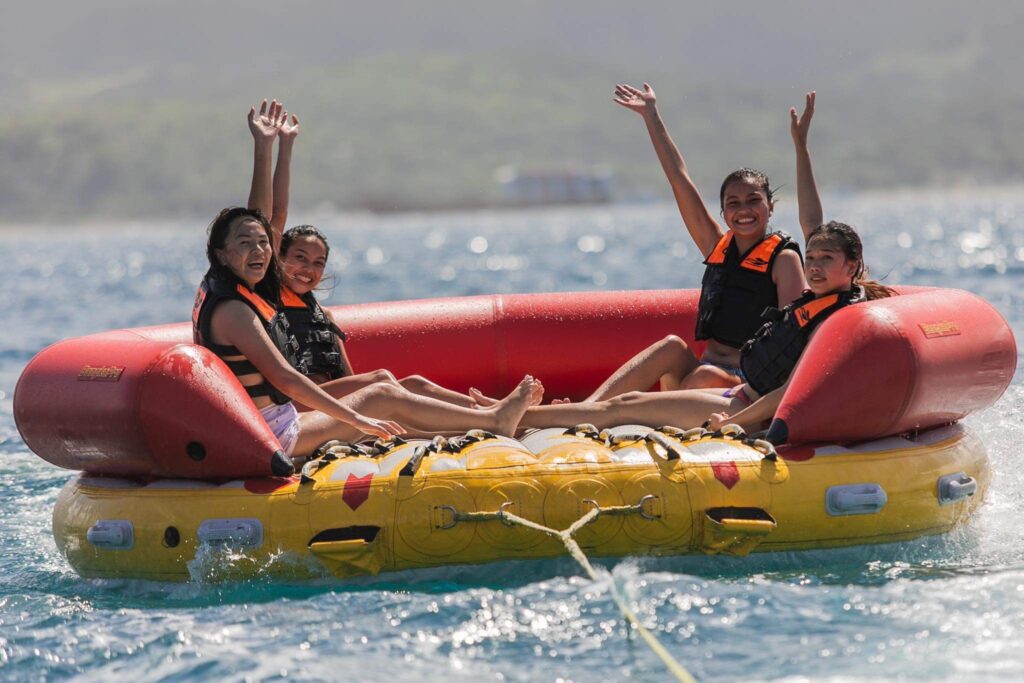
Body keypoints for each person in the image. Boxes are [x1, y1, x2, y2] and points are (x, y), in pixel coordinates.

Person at [192, 206, 544, 461]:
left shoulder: (233, 292)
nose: (259, 250)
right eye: (245, 244)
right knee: (380, 398)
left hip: (274, 421)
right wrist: (355, 417)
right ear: (222, 255)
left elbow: (268, 214)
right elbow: (285, 379)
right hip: (275, 433)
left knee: (386, 390)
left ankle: (489, 417)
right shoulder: (235, 310)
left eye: (262, 243)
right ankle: (493, 421)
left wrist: (270, 148)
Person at [519, 221, 892, 433]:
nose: (813, 266)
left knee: (622, 407)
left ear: (853, 265)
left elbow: (792, 391)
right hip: (742, 398)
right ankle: (521, 417)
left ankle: (514, 418)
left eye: (826, 259)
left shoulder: (839, 320)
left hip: (751, 414)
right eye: (810, 257)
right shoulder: (821, 301)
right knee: (627, 404)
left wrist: (731, 423)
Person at [244, 99, 499, 409]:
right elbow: (274, 215)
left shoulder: (323, 316)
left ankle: (487, 411)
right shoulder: (269, 294)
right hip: (299, 407)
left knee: (412, 383)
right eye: (299, 257)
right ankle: (483, 417)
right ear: (278, 257)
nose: (307, 269)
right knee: (382, 380)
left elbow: (348, 377)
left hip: (336, 406)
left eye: (317, 263)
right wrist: (279, 147)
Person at [579, 83, 809, 401]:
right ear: (723, 211)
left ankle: (631, 412)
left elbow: (794, 333)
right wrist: (651, 116)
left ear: (770, 206)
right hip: (703, 376)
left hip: (747, 387)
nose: (744, 210)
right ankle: (588, 409)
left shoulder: (783, 259)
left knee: (703, 376)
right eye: (733, 203)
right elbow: (679, 179)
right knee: (672, 347)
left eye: (753, 200)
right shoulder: (717, 246)